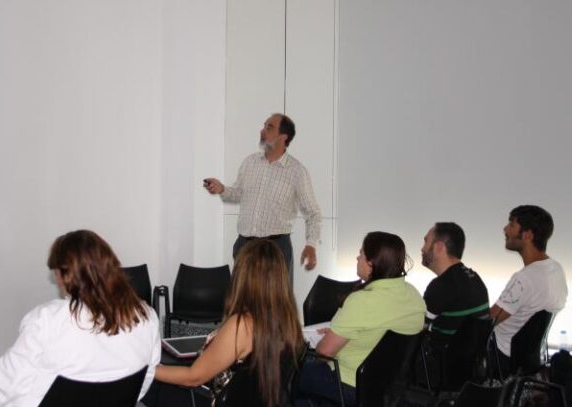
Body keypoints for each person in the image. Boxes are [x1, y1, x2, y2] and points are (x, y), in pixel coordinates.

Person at [0, 230, 161, 407]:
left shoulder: (46, 321)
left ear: (65, 276)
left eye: (57, 272)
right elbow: (142, 384)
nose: (57, 279)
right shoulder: (146, 316)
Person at [154, 239, 305, 407]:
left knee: (154, 390)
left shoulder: (242, 325)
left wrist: (149, 370)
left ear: (244, 277)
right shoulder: (290, 322)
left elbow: (193, 377)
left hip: (222, 399)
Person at [297, 232, 426, 406]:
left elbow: (324, 352)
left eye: (361, 254)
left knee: (286, 372)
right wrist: (341, 333)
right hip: (388, 387)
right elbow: (380, 335)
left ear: (371, 264)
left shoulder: (361, 301)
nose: (357, 258)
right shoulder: (414, 296)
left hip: (347, 385)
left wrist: (321, 344)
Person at [204, 113, 321, 282]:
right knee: (243, 302)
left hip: (276, 249)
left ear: (283, 136)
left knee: (274, 304)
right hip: (245, 246)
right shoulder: (250, 162)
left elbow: (313, 213)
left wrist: (311, 245)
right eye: (264, 126)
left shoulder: (297, 171)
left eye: (269, 127)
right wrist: (222, 189)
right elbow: (238, 193)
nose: (262, 131)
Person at [490, 205, 568, 374]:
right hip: (527, 361)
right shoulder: (557, 270)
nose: (505, 229)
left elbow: (488, 321)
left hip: (500, 357)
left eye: (511, 225)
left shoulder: (524, 279)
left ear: (528, 235)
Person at [421, 222, 489, 343]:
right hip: (469, 359)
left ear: (439, 247)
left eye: (426, 242)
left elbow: (416, 330)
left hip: (442, 358)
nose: (422, 248)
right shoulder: (474, 278)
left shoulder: (442, 286)